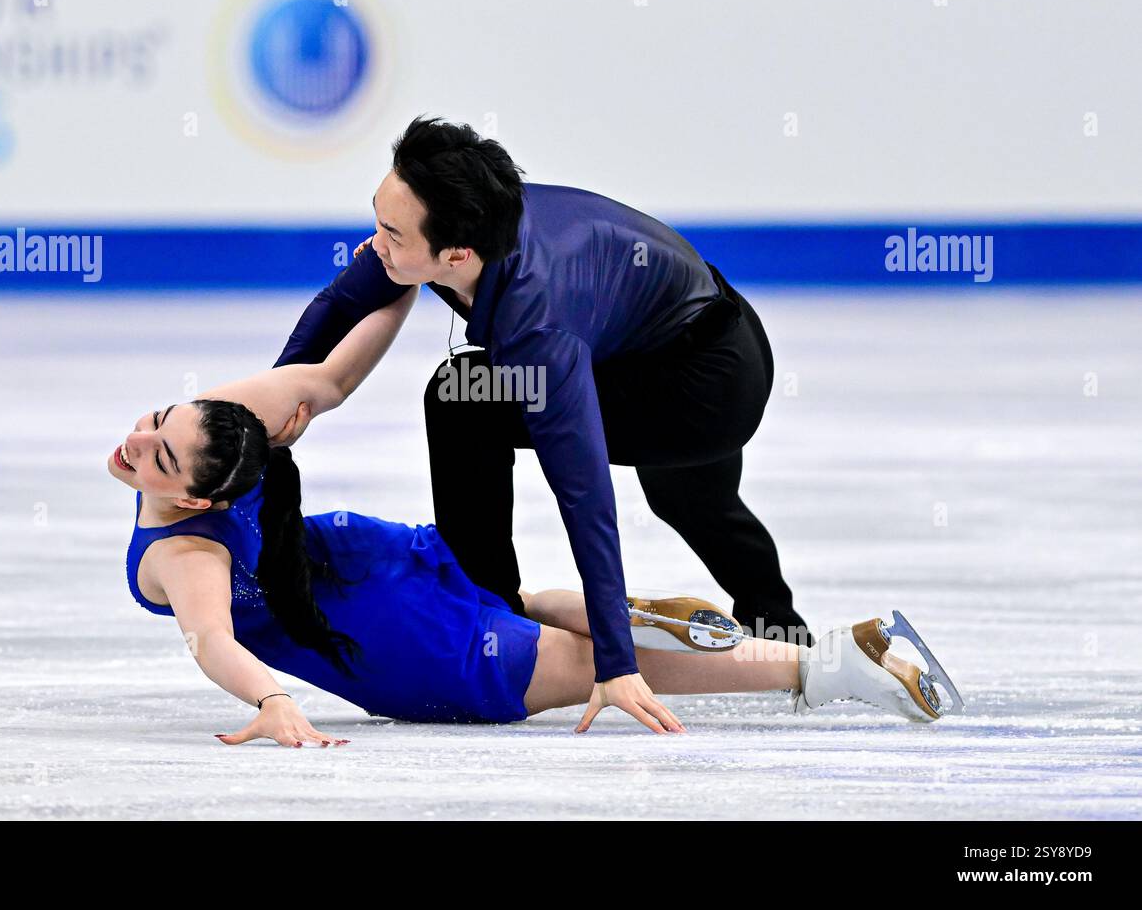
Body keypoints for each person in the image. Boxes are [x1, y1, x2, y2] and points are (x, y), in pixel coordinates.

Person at [110, 289, 956, 745]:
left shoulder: (184, 541)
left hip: (410, 652)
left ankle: (840, 665)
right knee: (549, 618)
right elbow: (326, 381)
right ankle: (658, 625)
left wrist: (269, 699)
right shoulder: (223, 438)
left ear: (198, 492)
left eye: (157, 431)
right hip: (402, 562)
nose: (136, 440)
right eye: (154, 444)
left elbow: (213, 640)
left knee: (602, 669)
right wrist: (395, 282)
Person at [270, 115, 813, 734]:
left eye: (390, 232)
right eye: (377, 217)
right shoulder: (456, 218)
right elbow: (339, 303)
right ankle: (783, 635)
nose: (374, 244)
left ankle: (487, 611)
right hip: (661, 338)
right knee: (694, 501)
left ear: (458, 255)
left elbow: (584, 497)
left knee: (462, 399)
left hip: (706, 386)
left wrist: (615, 663)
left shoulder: (539, 323)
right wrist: (262, 422)